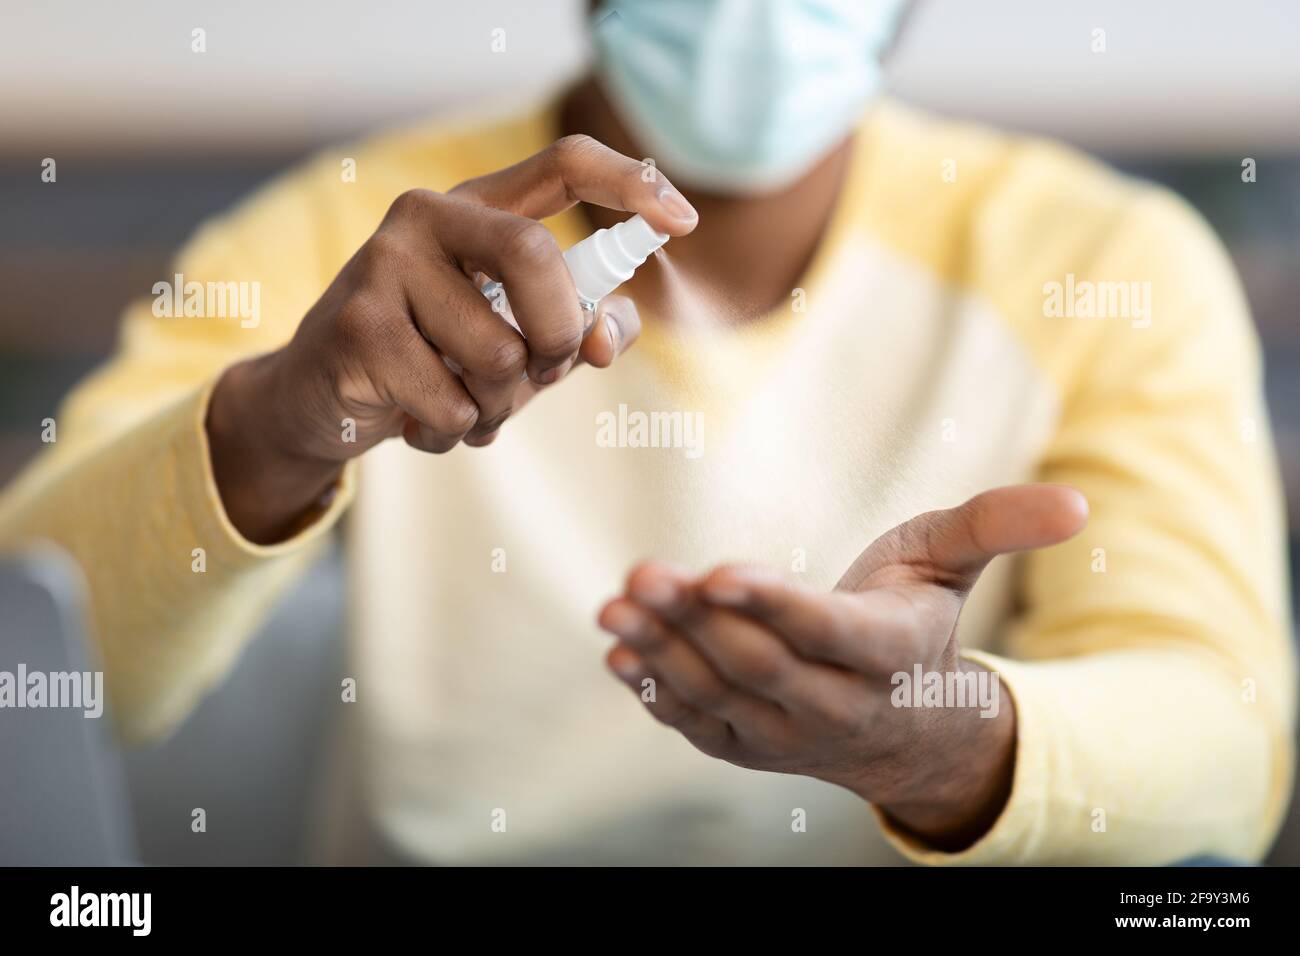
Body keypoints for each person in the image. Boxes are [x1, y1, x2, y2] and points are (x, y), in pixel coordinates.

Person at [0, 0, 1292, 865]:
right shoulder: (348, 227)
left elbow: (1225, 750)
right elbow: (48, 680)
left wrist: (948, 743)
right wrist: (279, 421)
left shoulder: (1102, 259)